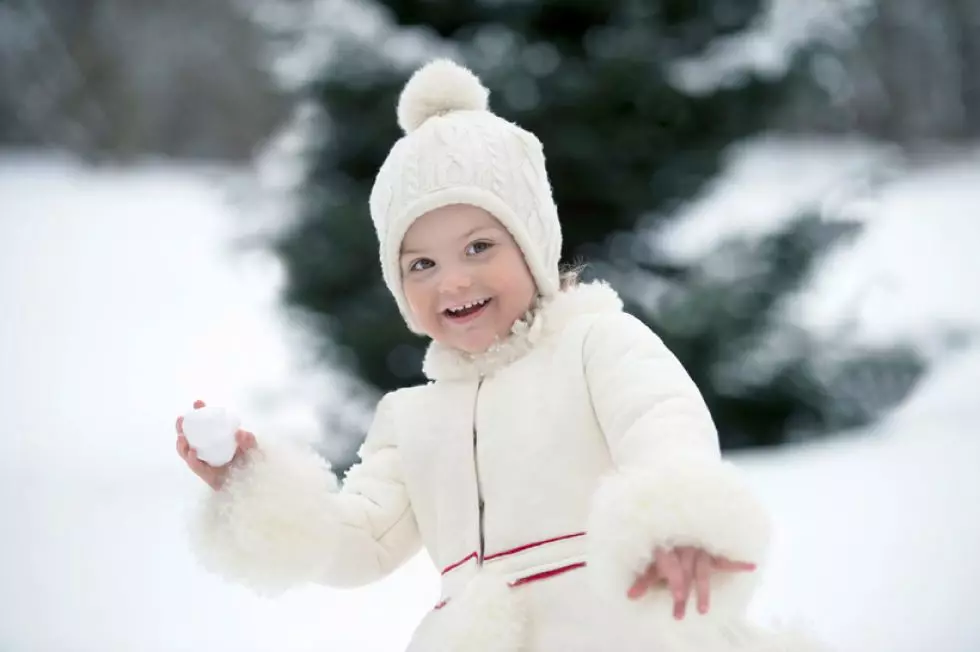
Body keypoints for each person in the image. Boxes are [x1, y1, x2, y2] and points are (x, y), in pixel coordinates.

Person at [176, 59, 819, 652]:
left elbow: (664, 427)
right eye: (421, 263)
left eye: (479, 247)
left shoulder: (597, 345)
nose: (452, 281)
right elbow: (359, 543)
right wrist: (252, 487)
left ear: (533, 246)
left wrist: (678, 527)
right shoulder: (411, 418)